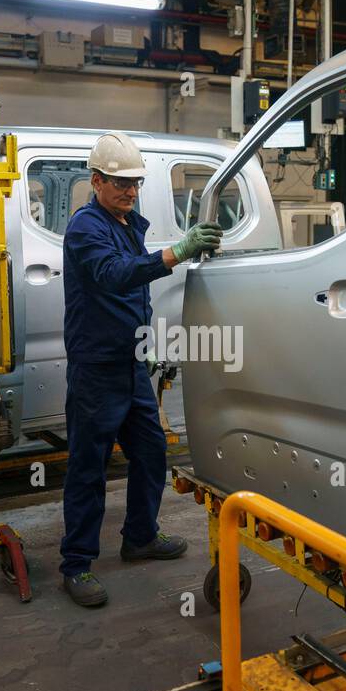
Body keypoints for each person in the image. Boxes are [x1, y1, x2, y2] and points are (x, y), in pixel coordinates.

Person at [58, 131, 222, 607]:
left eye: (135, 182)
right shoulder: (86, 227)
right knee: (88, 468)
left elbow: (136, 292)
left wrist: (145, 339)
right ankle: (76, 563)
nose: (130, 190)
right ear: (96, 181)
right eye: (120, 182)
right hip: (96, 367)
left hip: (129, 364)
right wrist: (178, 252)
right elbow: (113, 276)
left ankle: (139, 537)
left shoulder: (128, 223)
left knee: (151, 452)